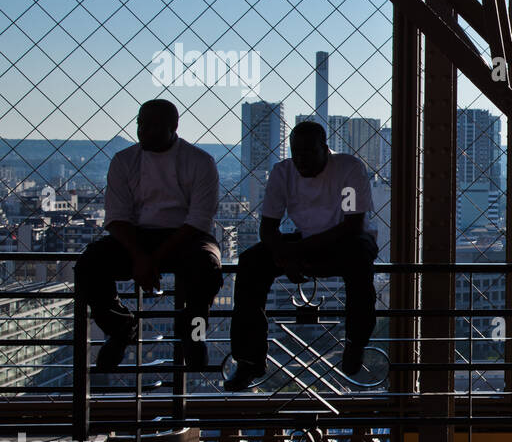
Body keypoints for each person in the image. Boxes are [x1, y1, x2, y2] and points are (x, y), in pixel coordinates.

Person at [224, 120, 379, 391]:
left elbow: (352, 225)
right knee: (250, 264)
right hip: (310, 241)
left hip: (344, 240)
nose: (301, 160)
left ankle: (356, 342)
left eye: (308, 153)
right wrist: (287, 256)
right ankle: (249, 360)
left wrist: (292, 253)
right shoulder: (283, 172)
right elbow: (267, 229)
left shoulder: (348, 169)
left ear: (325, 148)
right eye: (296, 153)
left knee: (359, 259)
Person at [76, 99, 223, 371]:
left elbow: (197, 222)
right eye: (141, 125)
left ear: (173, 127)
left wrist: (146, 259)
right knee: (89, 265)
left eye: (153, 126)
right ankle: (126, 328)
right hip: (154, 237)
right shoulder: (125, 161)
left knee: (209, 269)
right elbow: (117, 218)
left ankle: (180, 334)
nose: (144, 132)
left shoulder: (199, 162)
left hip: (185, 237)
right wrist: (144, 257)